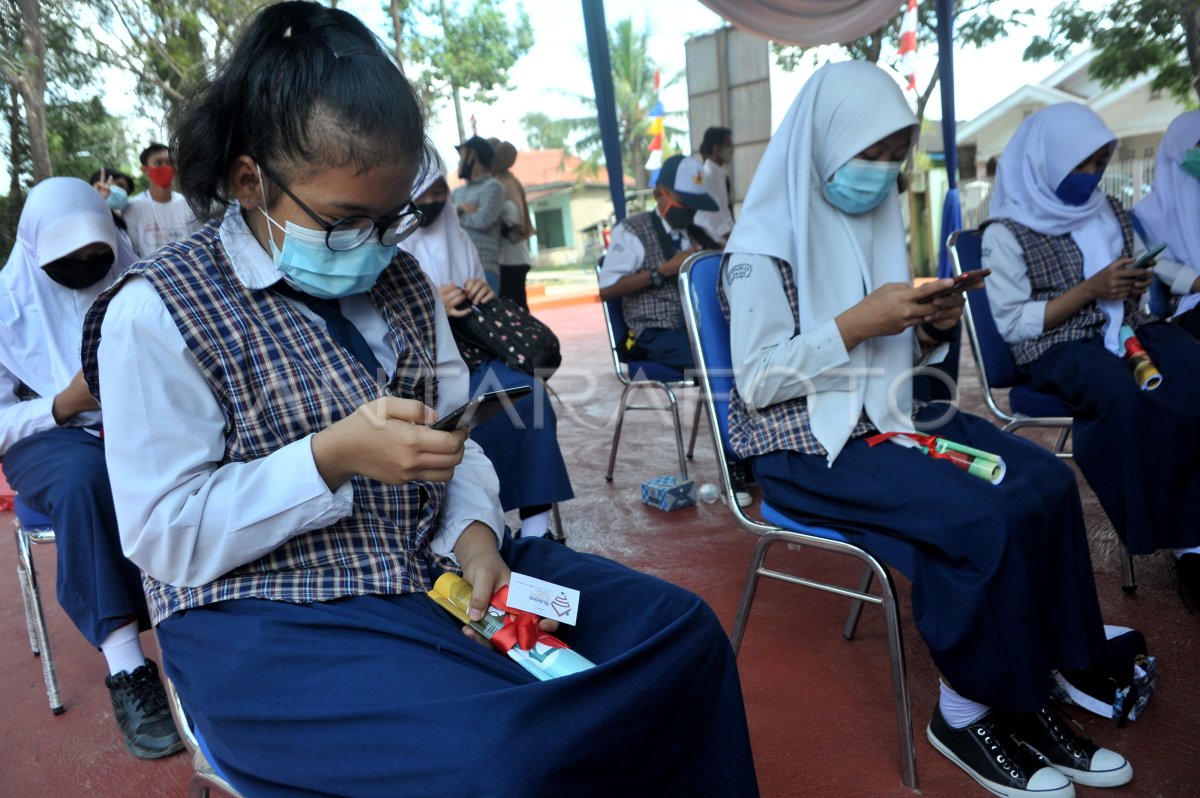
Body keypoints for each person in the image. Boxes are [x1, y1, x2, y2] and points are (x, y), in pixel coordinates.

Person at [79, 4, 757, 796]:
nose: (373, 246)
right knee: (501, 757)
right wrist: (329, 457)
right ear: (248, 180)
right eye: (344, 221)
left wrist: (475, 537)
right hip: (267, 619)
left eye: (388, 218)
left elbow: (456, 444)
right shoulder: (157, 310)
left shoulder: (399, 281)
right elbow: (165, 535)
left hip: (433, 566)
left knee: (682, 639)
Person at [723, 62, 1131, 798]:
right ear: (820, 144)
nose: (881, 174)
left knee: (1041, 481)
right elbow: (756, 385)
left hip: (886, 416)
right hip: (803, 445)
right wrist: (857, 323)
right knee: (975, 521)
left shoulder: (867, 225)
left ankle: (1046, 679)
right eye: (868, 154)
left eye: (893, 157)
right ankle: (967, 713)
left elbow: (891, 359)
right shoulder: (760, 249)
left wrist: (928, 325)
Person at [983, 102, 1200, 615]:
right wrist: (1090, 290)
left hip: (1129, 326)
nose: (1091, 176)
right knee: (1123, 398)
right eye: (1080, 165)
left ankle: (1195, 533)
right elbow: (1014, 323)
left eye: (1099, 163)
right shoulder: (1005, 233)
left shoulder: (1107, 210)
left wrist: (1136, 279)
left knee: (1192, 375)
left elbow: (1140, 270)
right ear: (1043, 163)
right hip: (1059, 344)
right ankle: (1176, 542)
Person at [0, 177, 183, 760]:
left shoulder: (140, 282)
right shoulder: (4, 307)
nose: (84, 266)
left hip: (134, 422)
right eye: (66, 260)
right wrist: (63, 403)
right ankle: (129, 668)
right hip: (46, 437)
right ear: (33, 250)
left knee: (196, 457)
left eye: (94, 254)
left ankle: (206, 630)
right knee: (86, 479)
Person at [402, 160, 574, 540]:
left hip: (474, 352)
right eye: (422, 194)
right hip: (426, 365)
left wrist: (481, 292)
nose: (432, 201)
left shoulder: (457, 234)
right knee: (460, 414)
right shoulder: (391, 243)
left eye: (438, 192)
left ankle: (535, 530)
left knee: (528, 395)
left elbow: (478, 294)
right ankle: (481, 528)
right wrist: (431, 305)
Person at [597, 153, 721, 372]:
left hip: (697, 326)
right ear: (657, 194)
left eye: (694, 205)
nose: (690, 212)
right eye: (684, 203)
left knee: (736, 351)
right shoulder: (631, 231)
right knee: (714, 362)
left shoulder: (698, 234)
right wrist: (662, 271)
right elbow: (607, 290)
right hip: (655, 331)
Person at [1132, 110, 1200, 337]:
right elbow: (1156, 263)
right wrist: (1196, 282)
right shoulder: (1148, 213)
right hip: (1193, 300)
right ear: (1176, 149)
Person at [122, 142, 200, 258]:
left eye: (170, 163)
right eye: (158, 163)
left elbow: (197, 243)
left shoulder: (188, 205)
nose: (166, 167)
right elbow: (132, 252)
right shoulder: (133, 208)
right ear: (145, 170)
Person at [451, 135, 506, 293]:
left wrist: (456, 213)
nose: (458, 162)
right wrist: (461, 208)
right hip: (457, 270)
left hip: (484, 270)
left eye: (461, 156)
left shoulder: (494, 187)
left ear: (472, 156)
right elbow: (446, 222)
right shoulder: (458, 192)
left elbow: (483, 220)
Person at [490, 140, 536, 307]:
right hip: (514, 257)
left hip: (509, 259)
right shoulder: (508, 181)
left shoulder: (501, 183)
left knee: (514, 310)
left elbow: (513, 216)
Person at [694, 126, 735, 245]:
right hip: (713, 240)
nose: (732, 150)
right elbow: (714, 215)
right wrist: (734, 238)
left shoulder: (719, 175)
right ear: (716, 149)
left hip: (722, 237)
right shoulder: (707, 175)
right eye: (728, 145)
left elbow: (724, 212)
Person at [89, 167, 136, 254]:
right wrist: (95, 200)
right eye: (120, 185)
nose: (123, 193)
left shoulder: (121, 225)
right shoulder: (89, 218)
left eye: (126, 191)